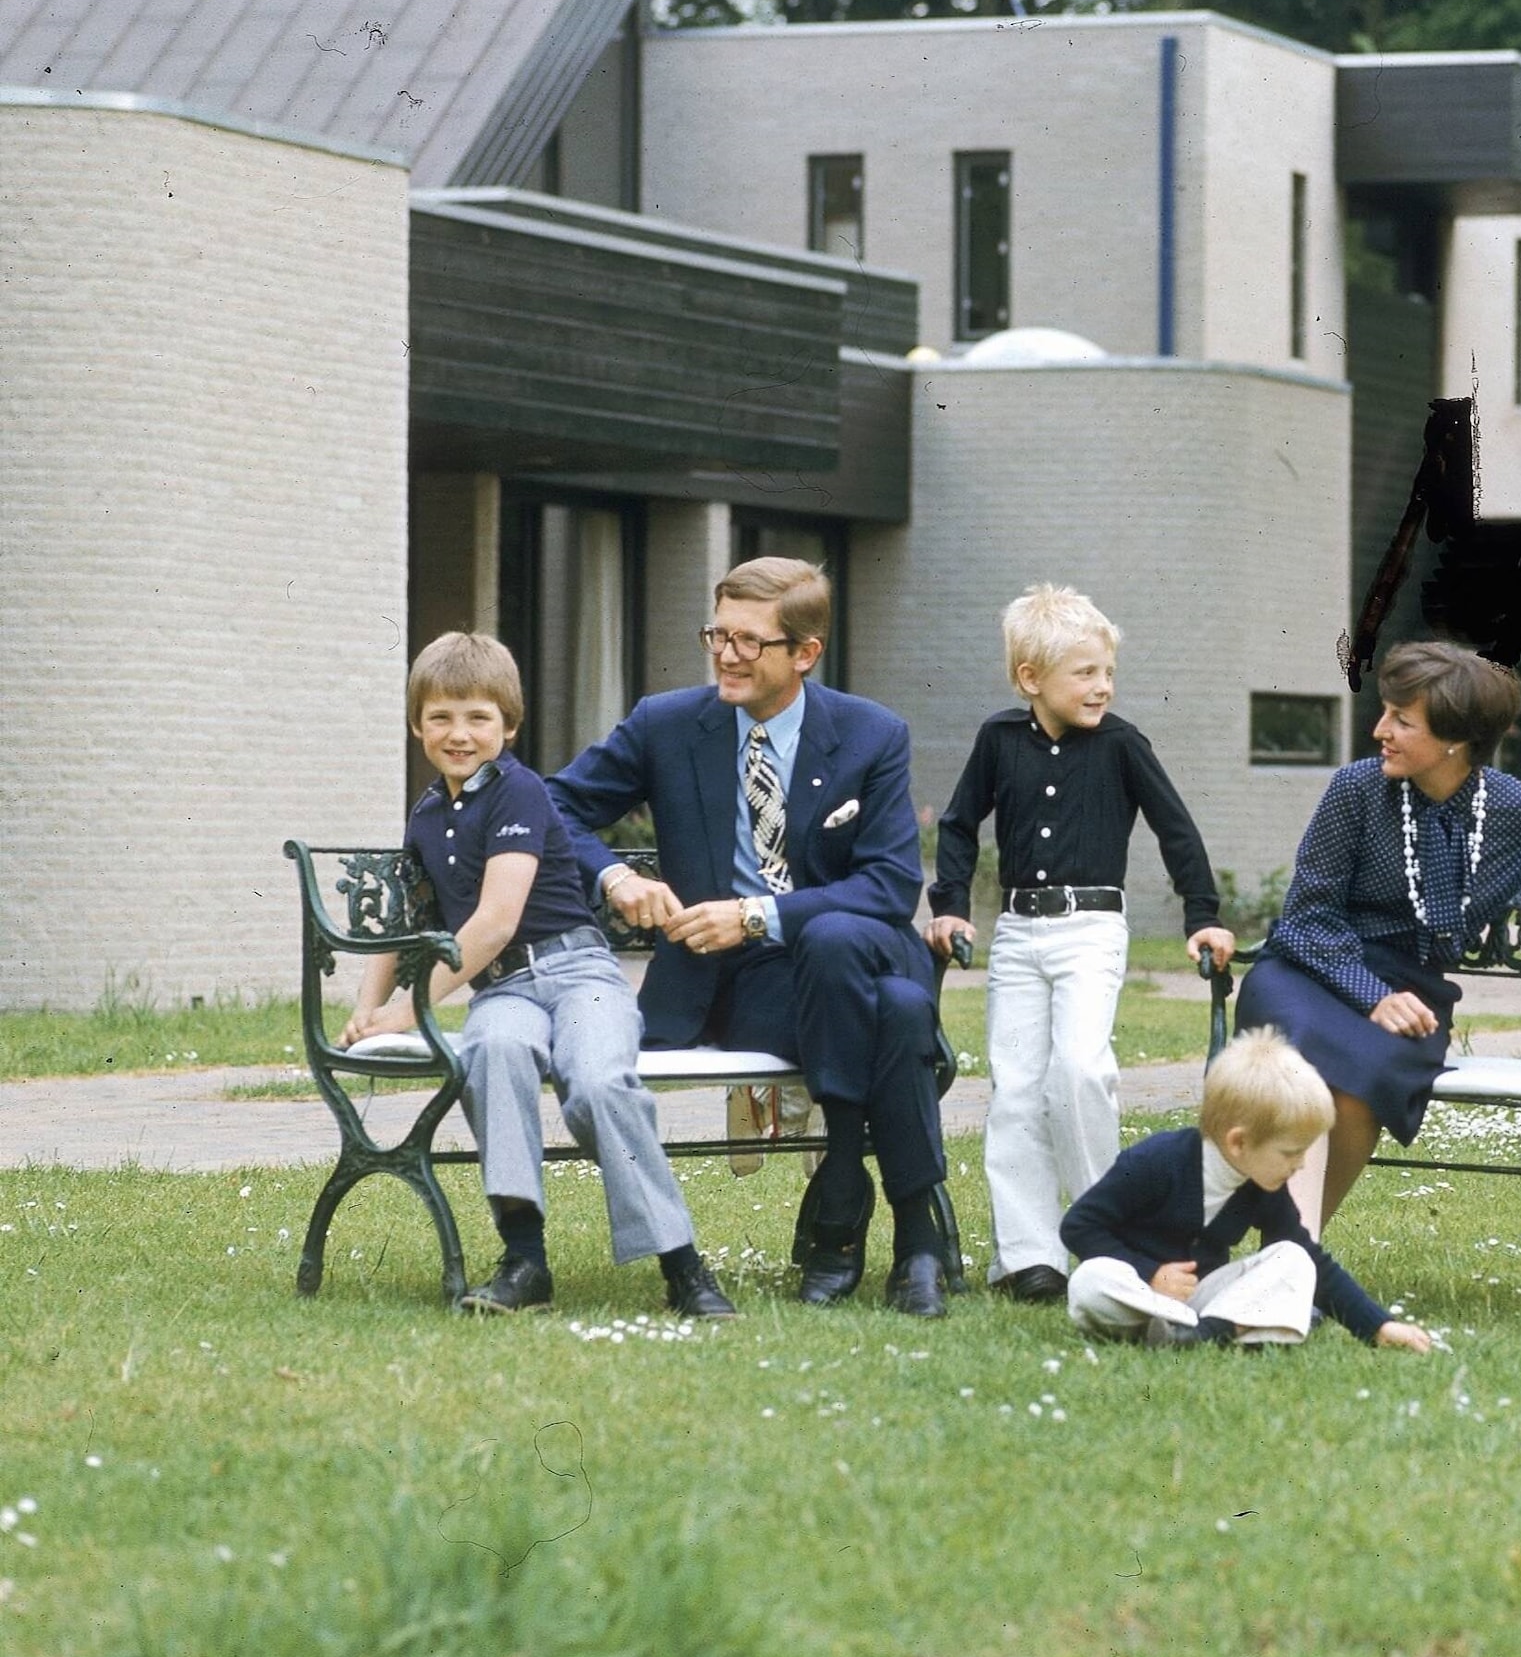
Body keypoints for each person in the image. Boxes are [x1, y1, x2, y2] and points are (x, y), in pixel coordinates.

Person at [547, 557, 953, 1318]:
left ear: (804, 652)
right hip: (747, 985)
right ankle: (917, 1240)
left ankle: (842, 1195)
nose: (726, 655)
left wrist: (759, 912)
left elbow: (892, 886)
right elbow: (552, 803)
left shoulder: (871, 734)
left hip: (850, 946)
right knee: (897, 1009)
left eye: (748, 641)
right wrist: (614, 878)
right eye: (717, 634)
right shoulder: (666, 723)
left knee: (834, 938)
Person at [343, 632, 735, 1320]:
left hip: (577, 970)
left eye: (477, 717)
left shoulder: (520, 793)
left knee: (599, 1082)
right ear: (416, 725)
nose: (458, 733)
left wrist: (409, 1012)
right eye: (440, 717)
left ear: (509, 726)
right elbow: (409, 915)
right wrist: (367, 1010)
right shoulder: (428, 813)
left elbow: (494, 919)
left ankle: (682, 1263)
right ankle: (525, 1260)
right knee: (491, 1052)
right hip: (503, 989)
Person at [1234, 641, 1521, 1230]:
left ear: (1456, 739)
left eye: (1402, 720)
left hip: (1412, 990)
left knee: (1361, 1088)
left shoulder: (1517, 809)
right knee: (1303, 1074)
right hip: (1310, 972)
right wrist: (1371, 996)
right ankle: (1290, 1265)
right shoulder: (1355, 790)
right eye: (1385, 712)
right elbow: (1306, 918)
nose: (1381, 730)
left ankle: (1292, 1253)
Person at [927, 585, 1236, 1302]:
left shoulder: (1124, 744)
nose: (1102, 686)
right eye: (1085, 672)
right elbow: (957, 822)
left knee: (1080, 1072)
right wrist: (949, 906)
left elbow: (1177, 830)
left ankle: (1106, 1236)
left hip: (1091, 931)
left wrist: (1204, 914)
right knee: (1014, 1093)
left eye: (1107, 671)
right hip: (1017, 935)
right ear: (1031, 678)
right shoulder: (998, 740)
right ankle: (1029, 1257)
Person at [1059, 1029, 1433, 1350]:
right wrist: (1150, 1274)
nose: (1300, 1164)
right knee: (1090, 1281)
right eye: (1291, 1152)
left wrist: (1379, 1326)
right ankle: (1220, 1328)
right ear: (1238, 1142)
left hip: (1202, 1300)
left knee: (1293, 1259)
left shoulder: (1263, 1183)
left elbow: (1308, 1256)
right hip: (1136, 1293)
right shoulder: (1156, 1160)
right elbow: (1078, 1225)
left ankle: (1206, 1333)